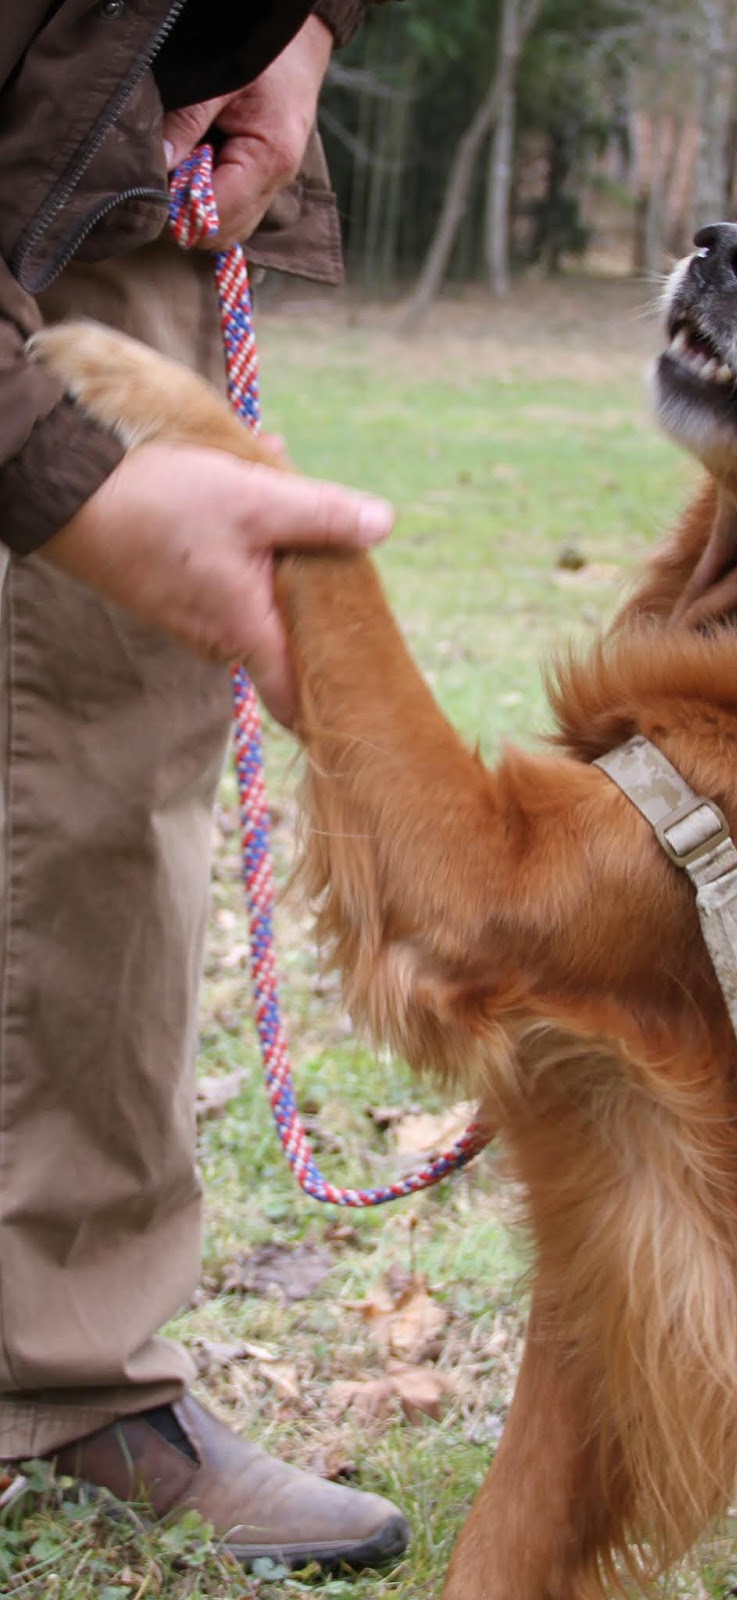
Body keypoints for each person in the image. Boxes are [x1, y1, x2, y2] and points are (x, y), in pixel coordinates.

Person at [0, 1, 411, 1572]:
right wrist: (57, 475)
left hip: (118, 170)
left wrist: (300, 31)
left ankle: (68, 1379)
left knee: (108, 758)